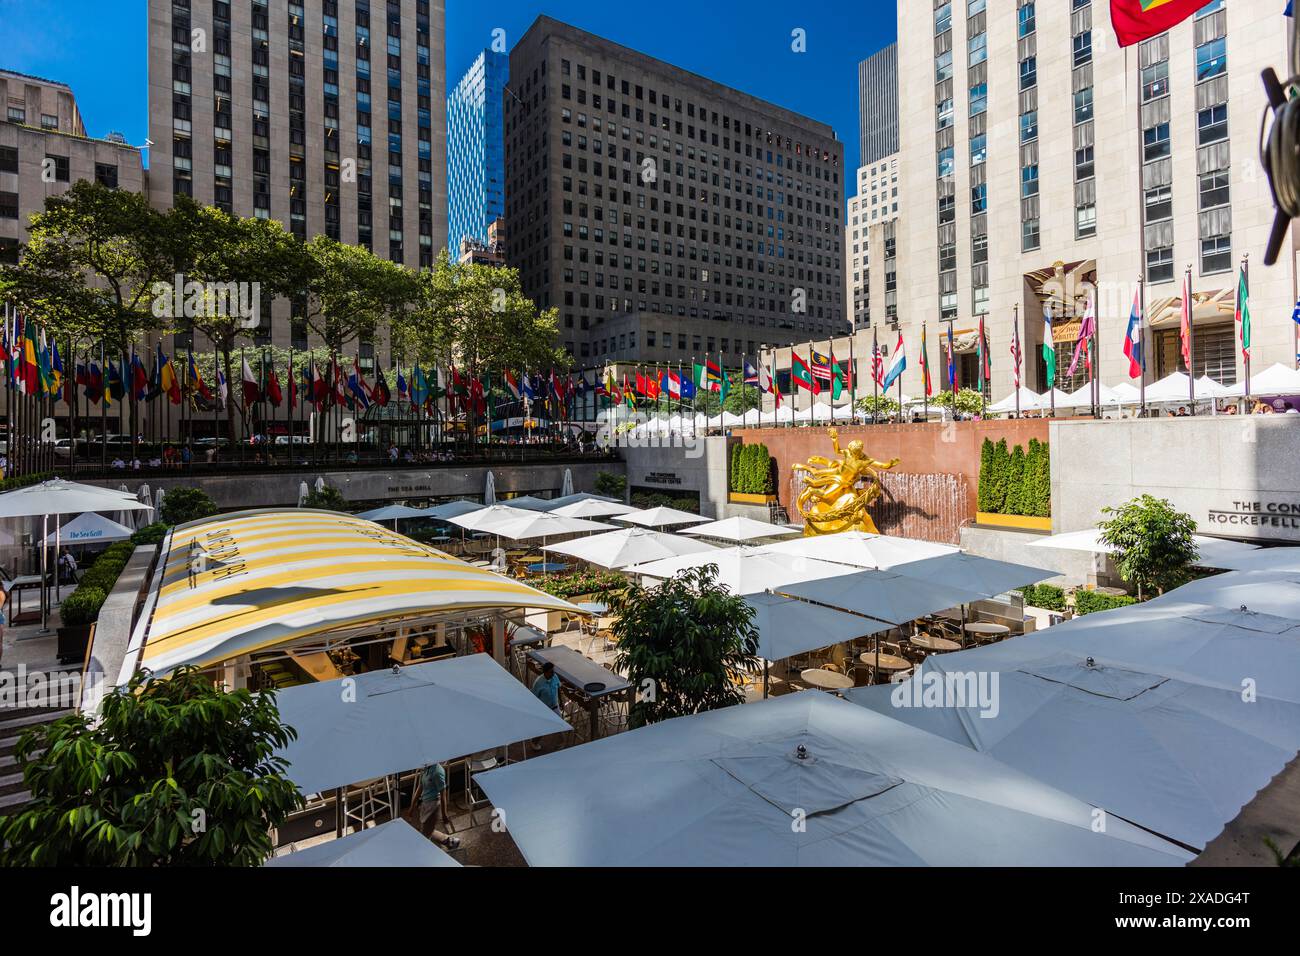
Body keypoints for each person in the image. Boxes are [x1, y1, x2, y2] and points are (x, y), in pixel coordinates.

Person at [415, 763, 460, 849]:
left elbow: (443, 795)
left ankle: (427, 855)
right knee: (426, 830)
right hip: (425, 804)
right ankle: (450, 841)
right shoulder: (426, 769)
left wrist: (444, 814)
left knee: (424, 835)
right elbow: (421, 786)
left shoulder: (437, 771)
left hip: (432, 805)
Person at [530, 661, 562, 751]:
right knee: (544, 728)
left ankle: (561, 743)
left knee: (560, 725)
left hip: (555, 706)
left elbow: (558, 687)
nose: (553, 673)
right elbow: (534, 697)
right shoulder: (539, 683)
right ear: (546, 672)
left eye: (553, 671)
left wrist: (561, 702)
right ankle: (534, 742)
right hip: (544, 709)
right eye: (551, 671)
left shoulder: (555, 677)